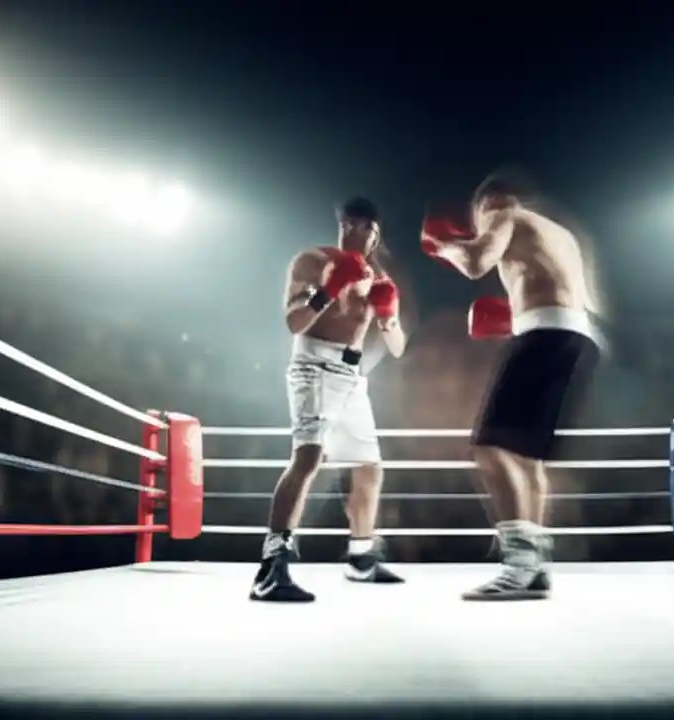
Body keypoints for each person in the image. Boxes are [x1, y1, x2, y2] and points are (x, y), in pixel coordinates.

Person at [421, 171, 604, 600]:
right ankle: (536, 566)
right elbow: (563, 295)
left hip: (547, 336)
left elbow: (475, 263)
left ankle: (517, 566)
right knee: (528, 459)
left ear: (488, 204)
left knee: (490, 447)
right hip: (577, 338)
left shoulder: (505, 215)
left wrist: (445, 246)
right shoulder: (558, 234)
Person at [251, 196, 408, 602]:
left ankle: (361, 559)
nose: (361, 234)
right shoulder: (310, 260)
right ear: (343, 224)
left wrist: (388, 317)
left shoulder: (377, 276)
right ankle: (272, 564)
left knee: (369, 468)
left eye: (369, 228)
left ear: (375, 234)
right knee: (308, 457)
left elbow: (397, 348)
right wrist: (329, 288)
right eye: (353, 224)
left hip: (352, 376)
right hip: (314, 364)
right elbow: (294, 322)